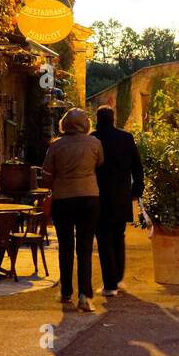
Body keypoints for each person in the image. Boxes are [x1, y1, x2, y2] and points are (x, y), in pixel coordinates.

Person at [42, 108, 103, 312]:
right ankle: (85, 295)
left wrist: (56, 182)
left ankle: (66, 291)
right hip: (89, 198)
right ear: (86, 124)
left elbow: (46, 175)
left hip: (63, 199)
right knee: (85, 247)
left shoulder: (56, 146)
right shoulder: (95, 143)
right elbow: (100, 163)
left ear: (64, 124)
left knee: (66, 246)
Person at [92, 105, 144, 296]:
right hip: (122, 193)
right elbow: (137, 166)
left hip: (99, 194)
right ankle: (118, 277)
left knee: (103, 237)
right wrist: (137, 189)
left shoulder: (93, 138)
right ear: (113, 118)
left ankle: (110, 283)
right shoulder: (126, 138)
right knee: (118, 236)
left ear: (98, 119)